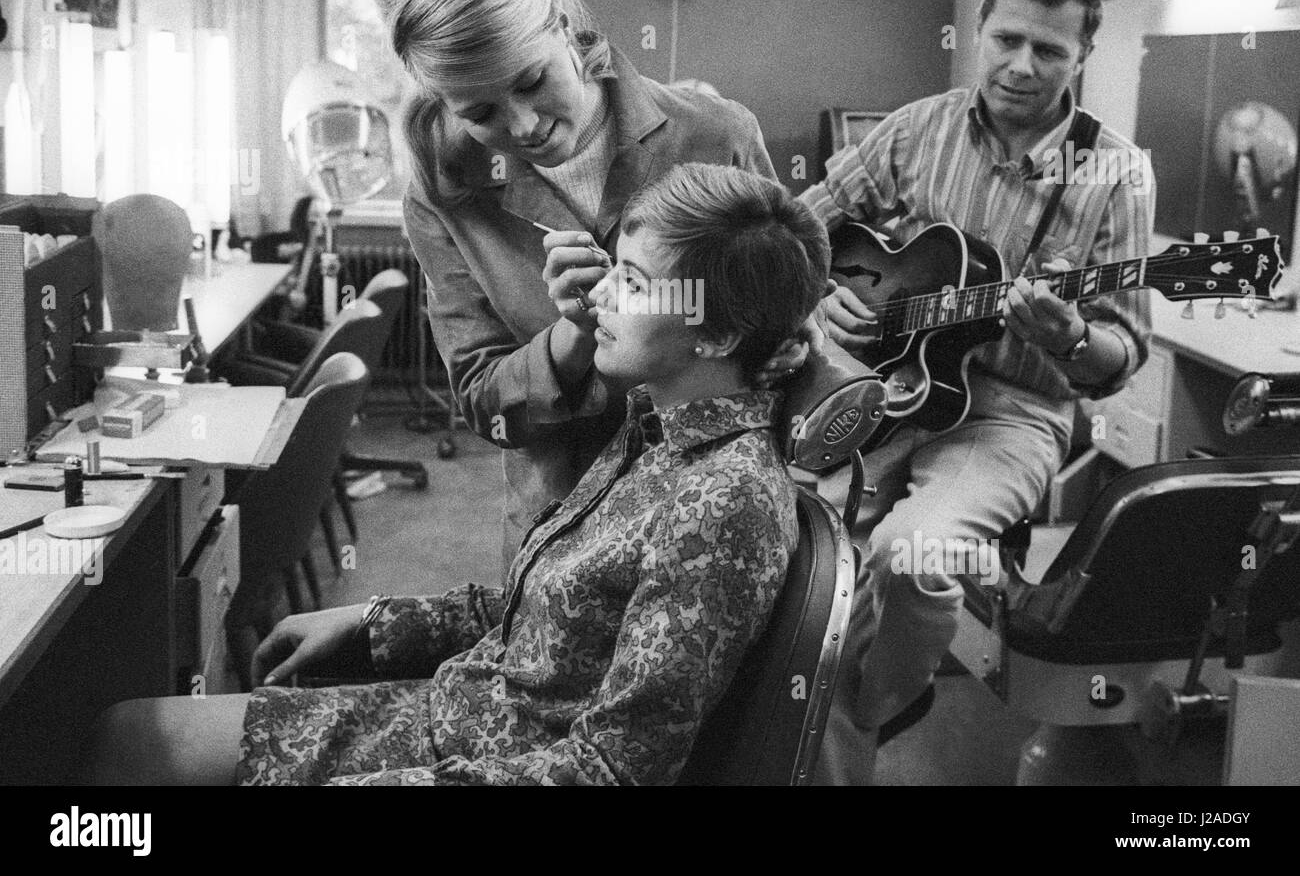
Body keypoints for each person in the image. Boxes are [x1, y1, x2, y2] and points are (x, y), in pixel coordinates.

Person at [79, 164, 831, 786]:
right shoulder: (655, 428)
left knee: (139, 754)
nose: (595, 295)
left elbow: (611, 770)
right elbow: (549, 617)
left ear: (721, 333)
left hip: (479, 758)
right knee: (130, 737)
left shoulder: (719, 504)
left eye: (631, 283)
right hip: (458, 713)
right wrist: (369, 622)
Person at [799, 0, 1154, 783]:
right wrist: (821, 295)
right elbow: (794, 230)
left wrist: (1068, 335)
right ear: (981, 28)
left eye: (1050, 51)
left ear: (1084, 56)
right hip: (886, 382)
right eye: (1005, 39)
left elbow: (1121, 356)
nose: (1021, 66)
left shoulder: (1118, 174)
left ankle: (890, 694)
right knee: (809, 584)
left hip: (1010, 412)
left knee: (913, 552)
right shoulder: (917, 128)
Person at [380, 0, 776, 578]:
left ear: (564, 26)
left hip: (722, 516)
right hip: (561, 539)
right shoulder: (442, 194)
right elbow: (485, 406)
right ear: (443, 103)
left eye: (533, 80)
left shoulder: (717, 136)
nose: (525, 124)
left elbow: (787, 316)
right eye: (480, 112)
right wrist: (572, 337)